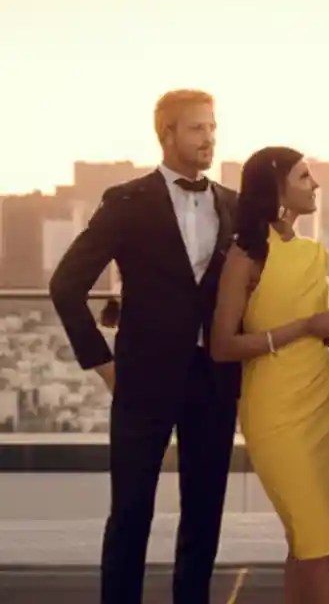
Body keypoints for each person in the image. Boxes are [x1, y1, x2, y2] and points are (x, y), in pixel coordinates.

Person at [49, 89, 239, 604]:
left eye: (212, 127)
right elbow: (66, 285)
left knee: (205, 513)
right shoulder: (128, 201)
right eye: (197, 128)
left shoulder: (233, 204)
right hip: (142, 379)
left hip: (214, 379)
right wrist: (104, 366)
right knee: (132, 513)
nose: (209, 138)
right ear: (168, 134)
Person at [210, 147, 329, 604]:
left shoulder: (314, 253)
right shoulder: (245, 256)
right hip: (276, 413)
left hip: (322, 403)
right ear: (277, 188)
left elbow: (323, 330)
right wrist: (304, 328)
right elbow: (222, 346)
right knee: (313, 539)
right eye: (303, 176)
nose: (314, 184)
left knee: (312, 542)